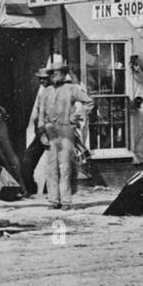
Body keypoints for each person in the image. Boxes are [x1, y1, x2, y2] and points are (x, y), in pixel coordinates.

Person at [28, 53, 93, 210]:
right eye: (53, 73)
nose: (55, 76)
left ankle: (65, 200)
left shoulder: (72, 89)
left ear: (64, 74)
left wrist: (76, 116)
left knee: (64, 166)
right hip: (50, 132)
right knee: (51, 166)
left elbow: (88, 102)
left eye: (58, 73)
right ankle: (53, 200)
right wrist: (42, 133)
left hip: (66, 130)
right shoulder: (46, 92)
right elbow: (41, 114)